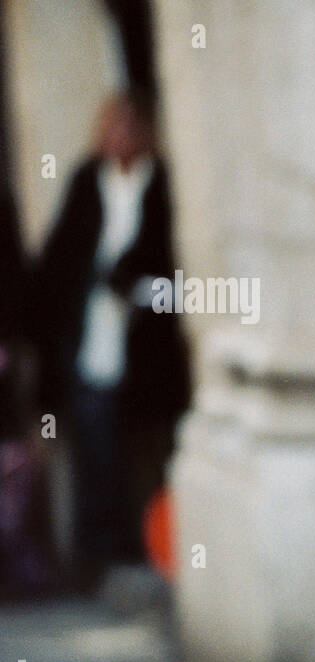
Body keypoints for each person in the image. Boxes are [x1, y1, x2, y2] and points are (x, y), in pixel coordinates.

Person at [30, 87, 191, 592]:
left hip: (147, 340)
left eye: (126, 126)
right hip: (92, 340)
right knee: (96, 443)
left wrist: (131, 278)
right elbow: (59, 260)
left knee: (155, 443)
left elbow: (168, 257)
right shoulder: (86, 181)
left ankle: (160, 548)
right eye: (109, 127)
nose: (116, 137)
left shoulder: (161, 182)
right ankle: (102, 551)